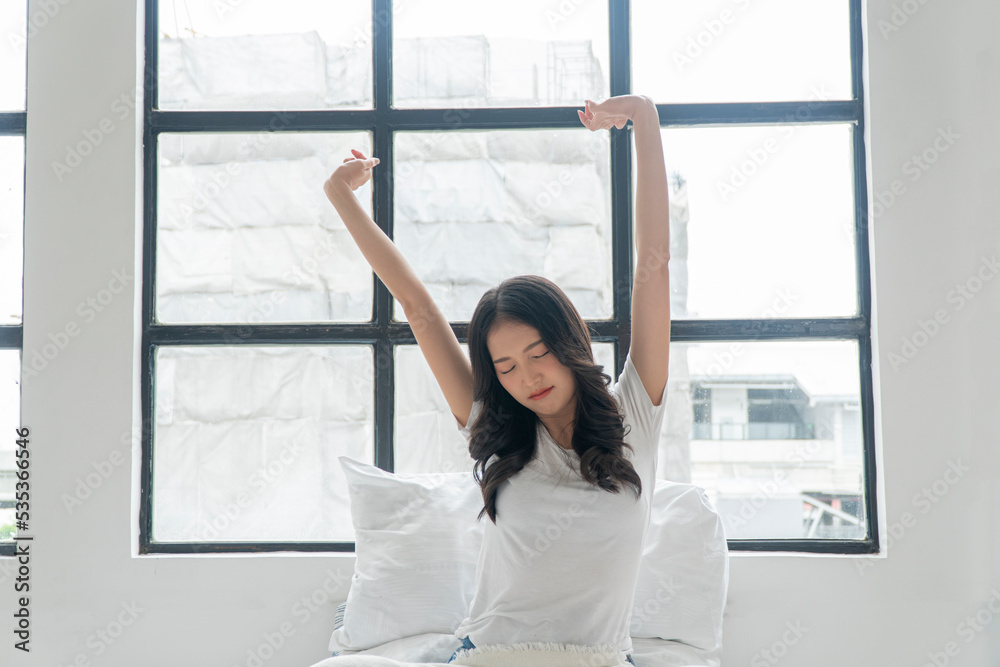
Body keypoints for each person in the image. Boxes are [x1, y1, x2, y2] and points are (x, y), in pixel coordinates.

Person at [322, 95, 671, 667]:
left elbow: (653, 262)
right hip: (493, 656)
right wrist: (340, 195)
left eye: (539, 353)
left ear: (570, 344)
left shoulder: (635, 412)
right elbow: (419, 308)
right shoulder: (495, 429)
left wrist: (645, 119)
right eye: (505, 367)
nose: (527, 377)